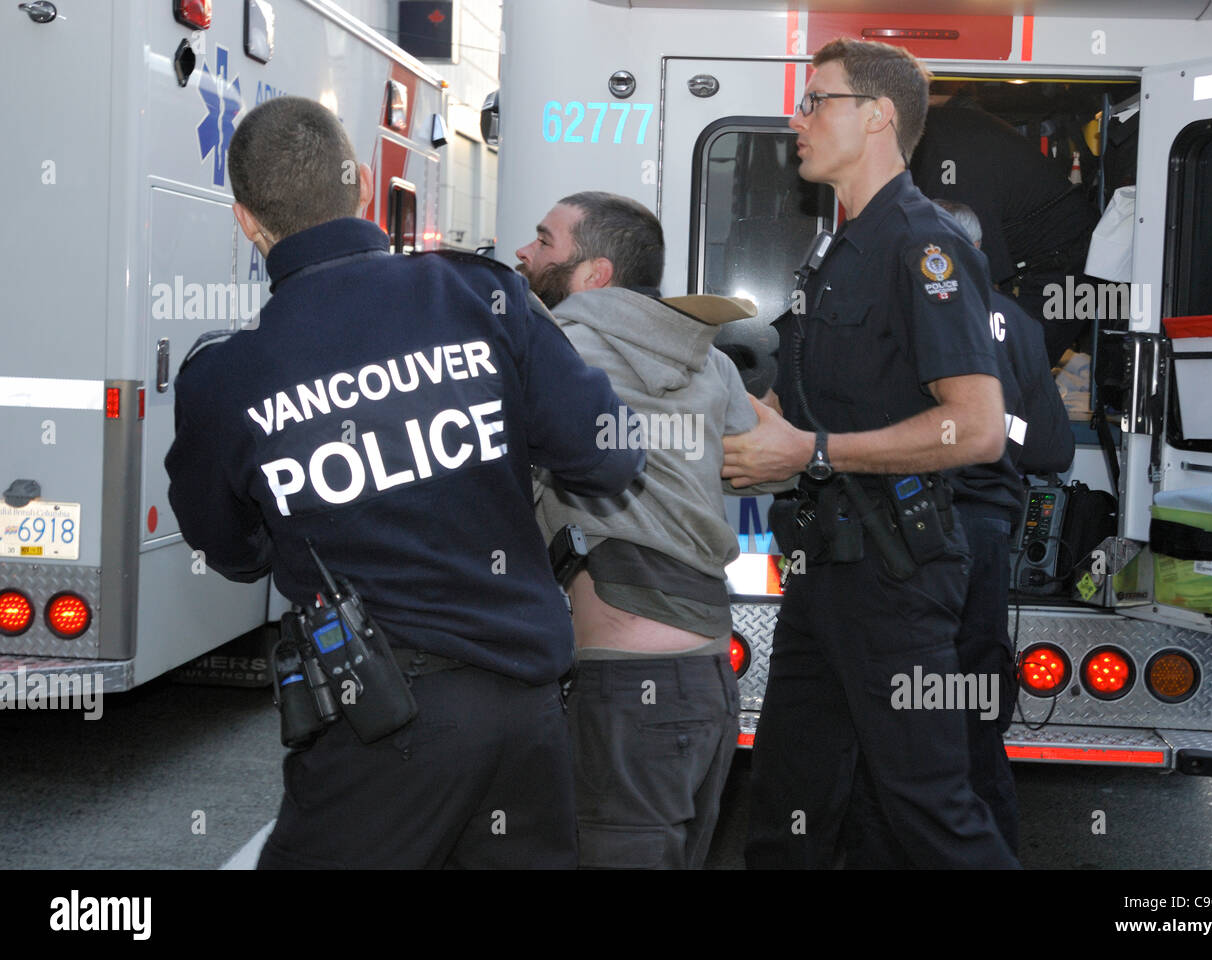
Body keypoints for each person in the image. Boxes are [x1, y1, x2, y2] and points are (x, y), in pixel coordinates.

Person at [164, 96, 643, 868]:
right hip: (526, 711)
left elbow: (230, 548)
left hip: (383, 720)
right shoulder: (476, 294)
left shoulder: (227, 379)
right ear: (360, 190)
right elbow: (611, 457)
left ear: (246, 221)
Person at [722, 38, 1019, 868]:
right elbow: (842, 402)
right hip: (827, 569)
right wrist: (766, 416)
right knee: (791, 804)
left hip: (893, 576)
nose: (798, 118)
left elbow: (977, 427)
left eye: (818, 101)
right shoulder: (838, 250)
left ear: (879, 117)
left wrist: (809, 450)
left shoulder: (922, 247)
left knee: (928, 812)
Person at [516, 191, 765, 869]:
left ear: (594, 274)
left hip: (629, 691)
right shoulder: (706, 357)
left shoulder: (554, 352)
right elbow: (762, 465)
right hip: (706, 680)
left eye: (543, 241)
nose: (523, 252)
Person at [933, 200, 1076, 854]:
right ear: (983, 248)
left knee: (887, 713)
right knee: (975, 717)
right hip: (984, 535)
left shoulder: (895, 314)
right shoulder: (1016, 323)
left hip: (898, 533)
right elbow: (1052, 451)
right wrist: (1006, 433)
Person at [910, 95, 1099, 364]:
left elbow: (972, 274)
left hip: (1064, 272)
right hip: (1055, 263)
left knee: (1003, 370)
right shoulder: (942, 136)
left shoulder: (949, 150)